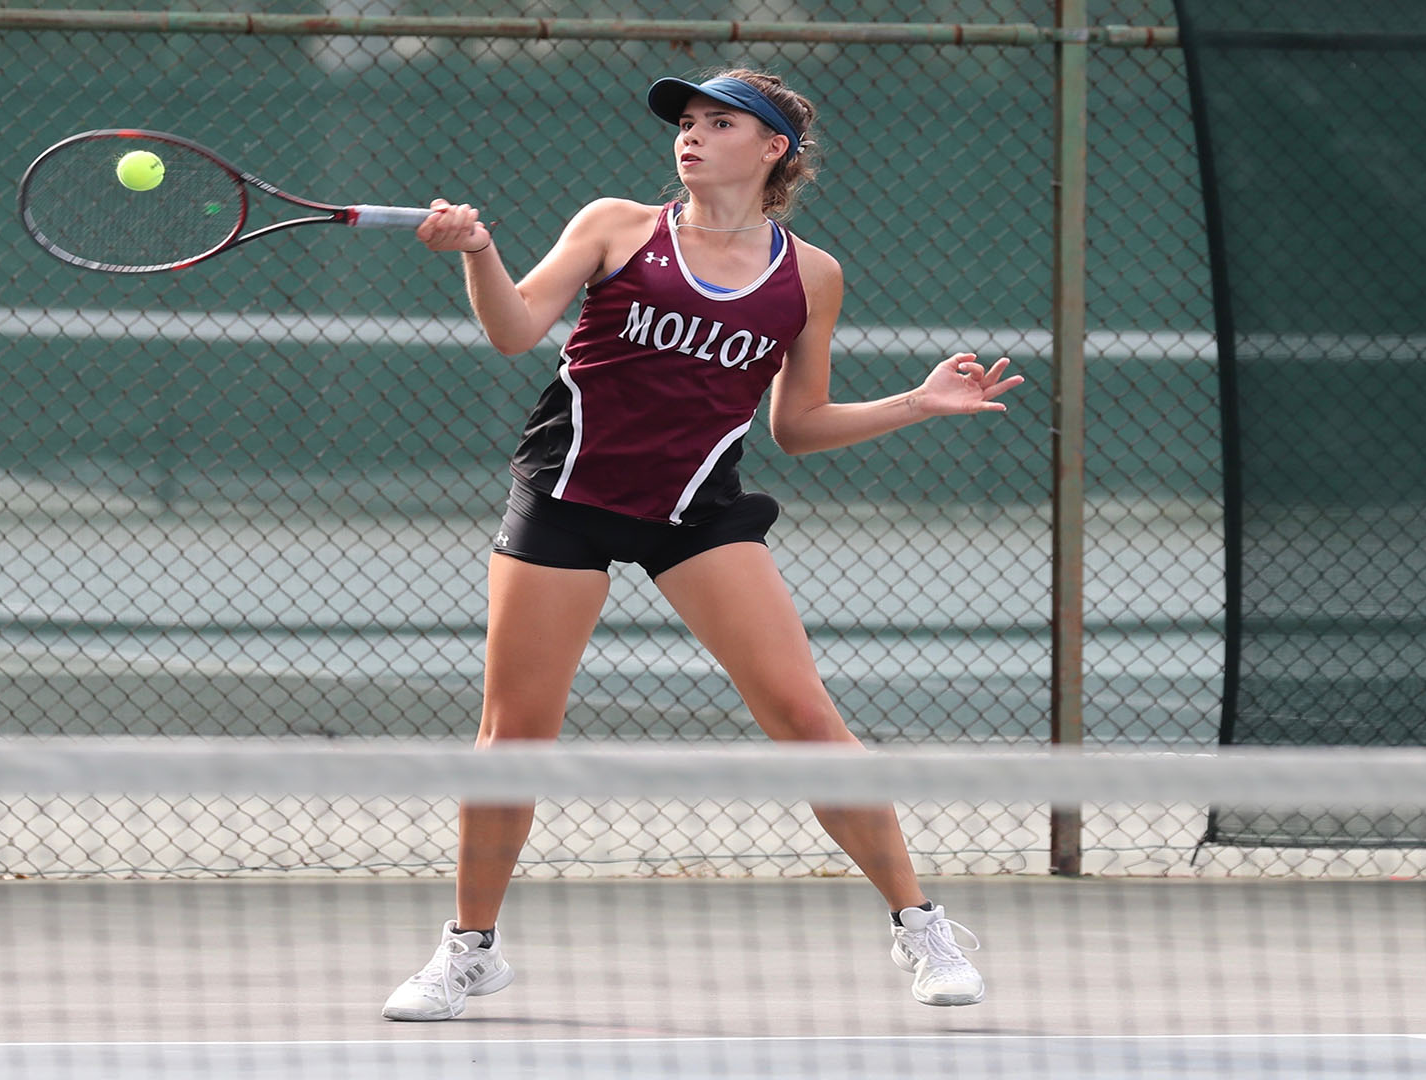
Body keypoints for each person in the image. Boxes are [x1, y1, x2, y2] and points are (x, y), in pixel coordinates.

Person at [381, 70, 1023, 1022]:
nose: (691, 136)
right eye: (686, 122)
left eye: (720, 123)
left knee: (805, 718)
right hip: (565, 496)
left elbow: (797, 425)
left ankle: (919, 925)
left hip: (695, 511)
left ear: (773, 150)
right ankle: (469, 950)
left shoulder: (811, 275)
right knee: (512, 737)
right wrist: (478, 251)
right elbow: (516, 330)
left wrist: (917, 404)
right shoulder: (615, 226)